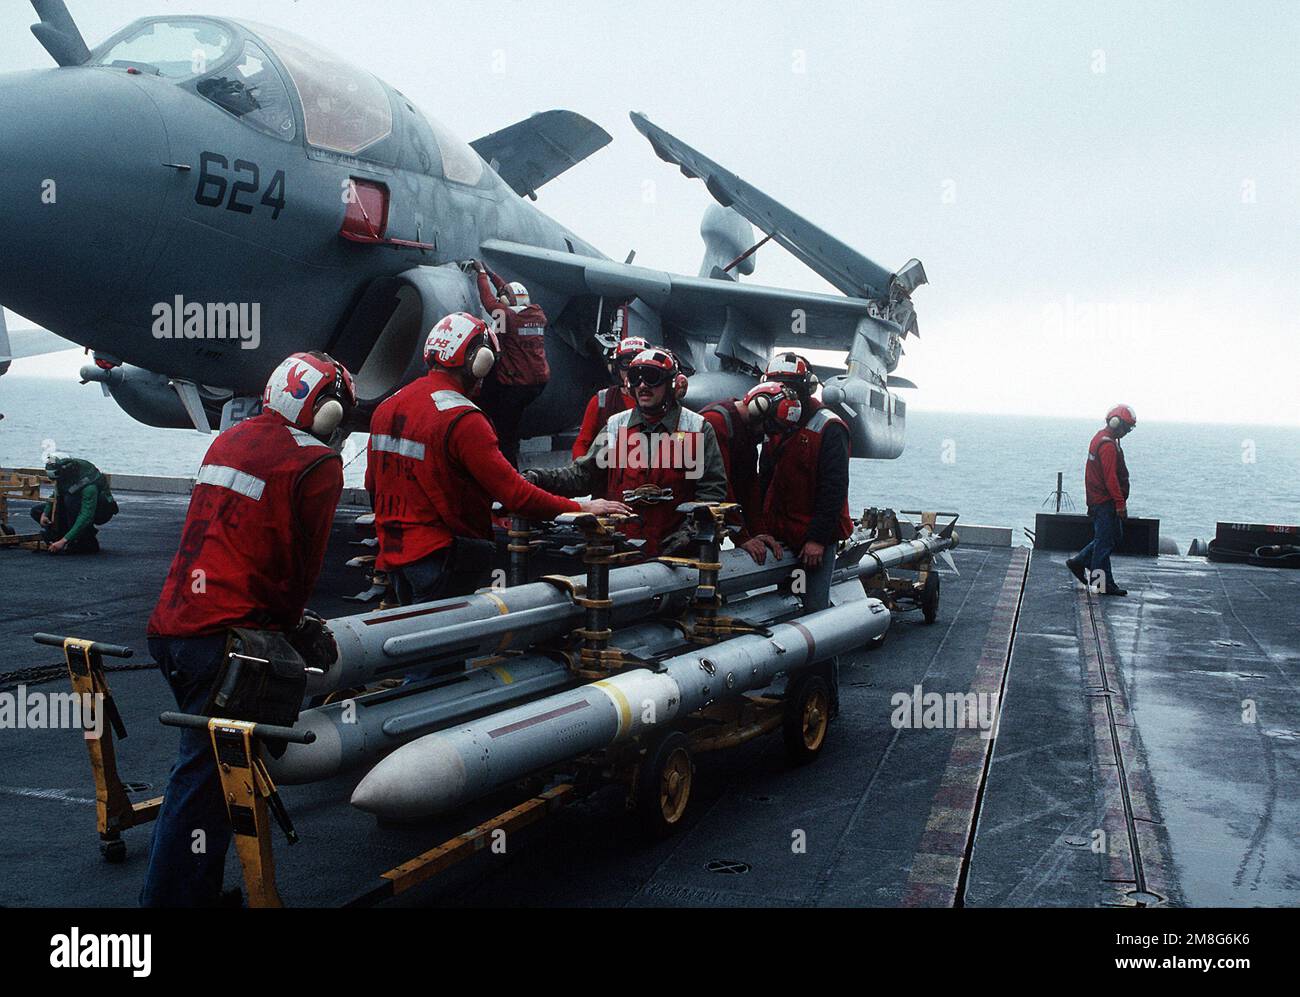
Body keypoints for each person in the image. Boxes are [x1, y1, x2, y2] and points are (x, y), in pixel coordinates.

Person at [142, 351, 356, 906]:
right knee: (201, 780)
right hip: (220, 640)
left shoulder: (228, 440)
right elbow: (300, 569)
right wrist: (294, 625)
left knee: (209, 776)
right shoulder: (317, 464)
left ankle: (196, 889)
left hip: (172, 627)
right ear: (327, 410)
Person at [367, 312, 630, 605]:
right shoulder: (463, 418)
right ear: (478, 360)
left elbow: (373, 485)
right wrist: (581, 506)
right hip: (440, 556)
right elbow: (515, 495)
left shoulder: (388, 406)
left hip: (394, 557)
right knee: (444, 643)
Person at [528, 348, 727, 557]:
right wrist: (538, 478)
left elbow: (711, 492)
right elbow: (582, 476)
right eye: (635, 378)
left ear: (672, 384)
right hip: (621, 553)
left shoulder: (695, 429)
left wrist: (690, 532)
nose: (642, 386)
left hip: (676, 556)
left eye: (651, 377)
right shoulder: (616, 426)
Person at [749, 353, 854, 613]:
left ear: (805, 389)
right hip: (780, 537)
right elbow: (765, 480)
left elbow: (834, 488)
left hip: (812, 541)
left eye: (789, 387)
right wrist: (760, 530)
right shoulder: (776, 424)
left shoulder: (829, 427)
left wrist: (817, 539)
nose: (783, 395)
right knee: (784, 608)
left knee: (813, 611)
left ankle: (826, 656)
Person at [471, 262, 549, 468]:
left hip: (517, 385)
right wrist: (492, 274)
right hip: (537, 383)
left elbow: (488, 302)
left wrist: (480, 275)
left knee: (505, 434)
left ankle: (510, 476)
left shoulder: (506, 316)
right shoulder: (537, 314)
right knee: (509, 424)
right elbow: (509, 296)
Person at [1067, 404, 1136, 596]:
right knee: (1104, 544)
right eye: (1127, 428)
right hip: (1105, 502)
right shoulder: (1107, 446)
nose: (1127, 432)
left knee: (1111, 537)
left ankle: (1079, 561)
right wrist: (1120, 504)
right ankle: (1101, 584)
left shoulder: (1101, 438)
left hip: (1100, 500)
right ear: (1116, 423)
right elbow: (1110, 478)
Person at [700, 389, 767, 559]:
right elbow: (719, 484)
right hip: (693, 518)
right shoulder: (716, 421)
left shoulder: (745, 429)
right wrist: (742, 536)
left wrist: (758, 533)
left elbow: (749, 483)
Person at [571, 333, 648, 458]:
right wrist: (583, 471)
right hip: (612, 473)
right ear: (616, 367)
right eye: (627, 363)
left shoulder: (662, 400)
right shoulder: (602, 401)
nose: (633, 370)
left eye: (640, 364)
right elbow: (582, 444)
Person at [33, 454, 117, 554]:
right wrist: (45, 513)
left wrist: (64, 541)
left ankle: (84, 539)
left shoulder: (89, 486)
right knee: (36, 511)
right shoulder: (63, 475)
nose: (56, 482)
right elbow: (56, 494)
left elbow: (86, 515)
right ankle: (60, 535)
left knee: (70, 502)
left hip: (100, 509)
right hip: (76, 503)